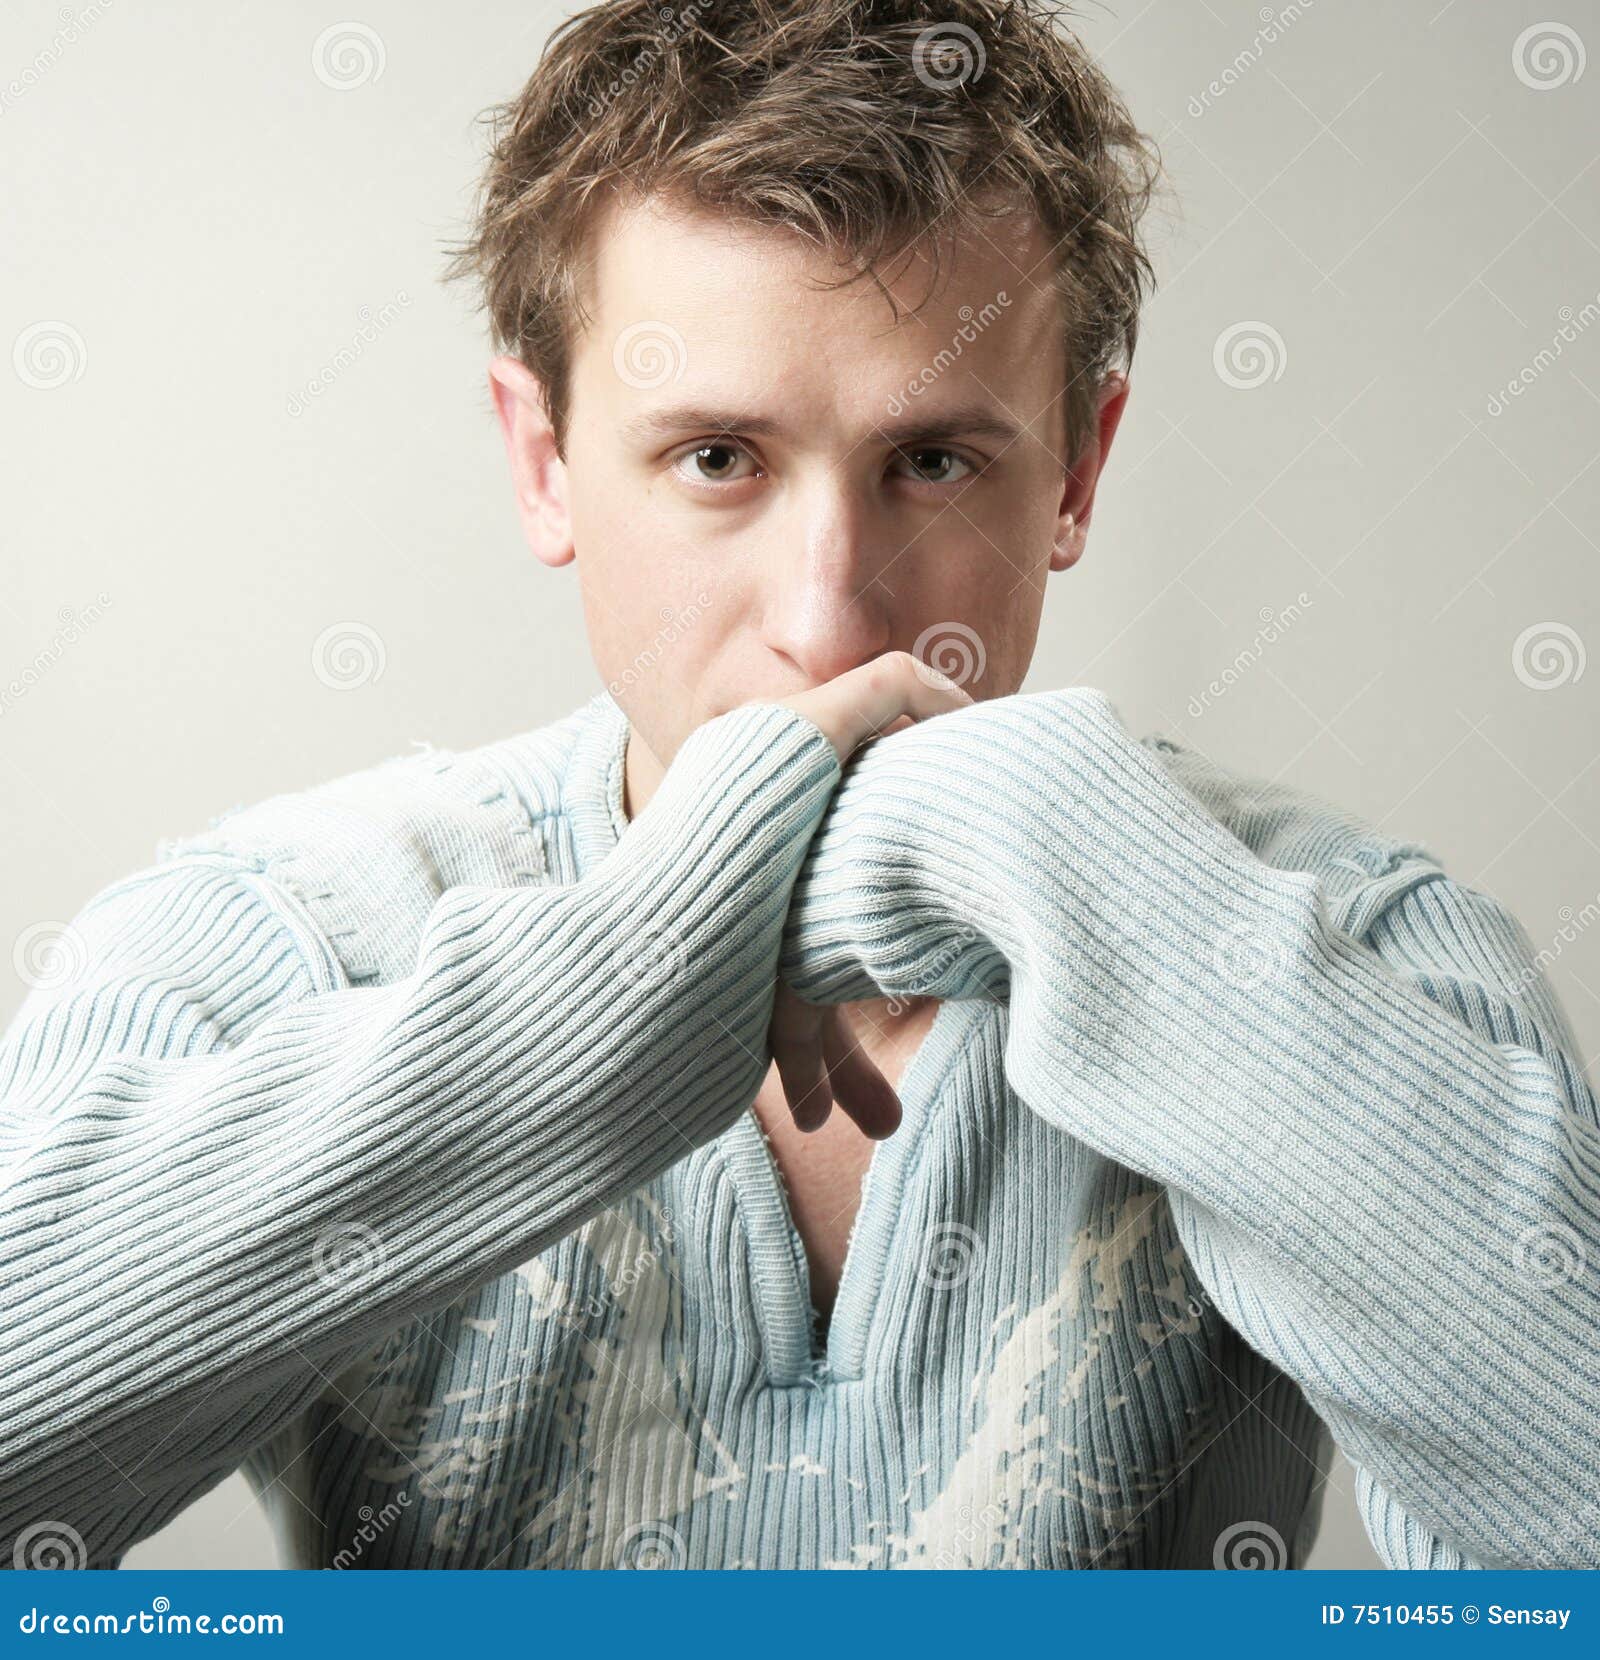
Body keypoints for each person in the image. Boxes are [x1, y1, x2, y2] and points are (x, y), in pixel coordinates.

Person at [3, 0, 1597, 1573]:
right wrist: (603, 999)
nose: (829, 617)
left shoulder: (1375, 953)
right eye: (716, 459)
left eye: (936, 462)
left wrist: (1087, 873)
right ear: (545, 459)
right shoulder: (268, 944)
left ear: (1079, 473)